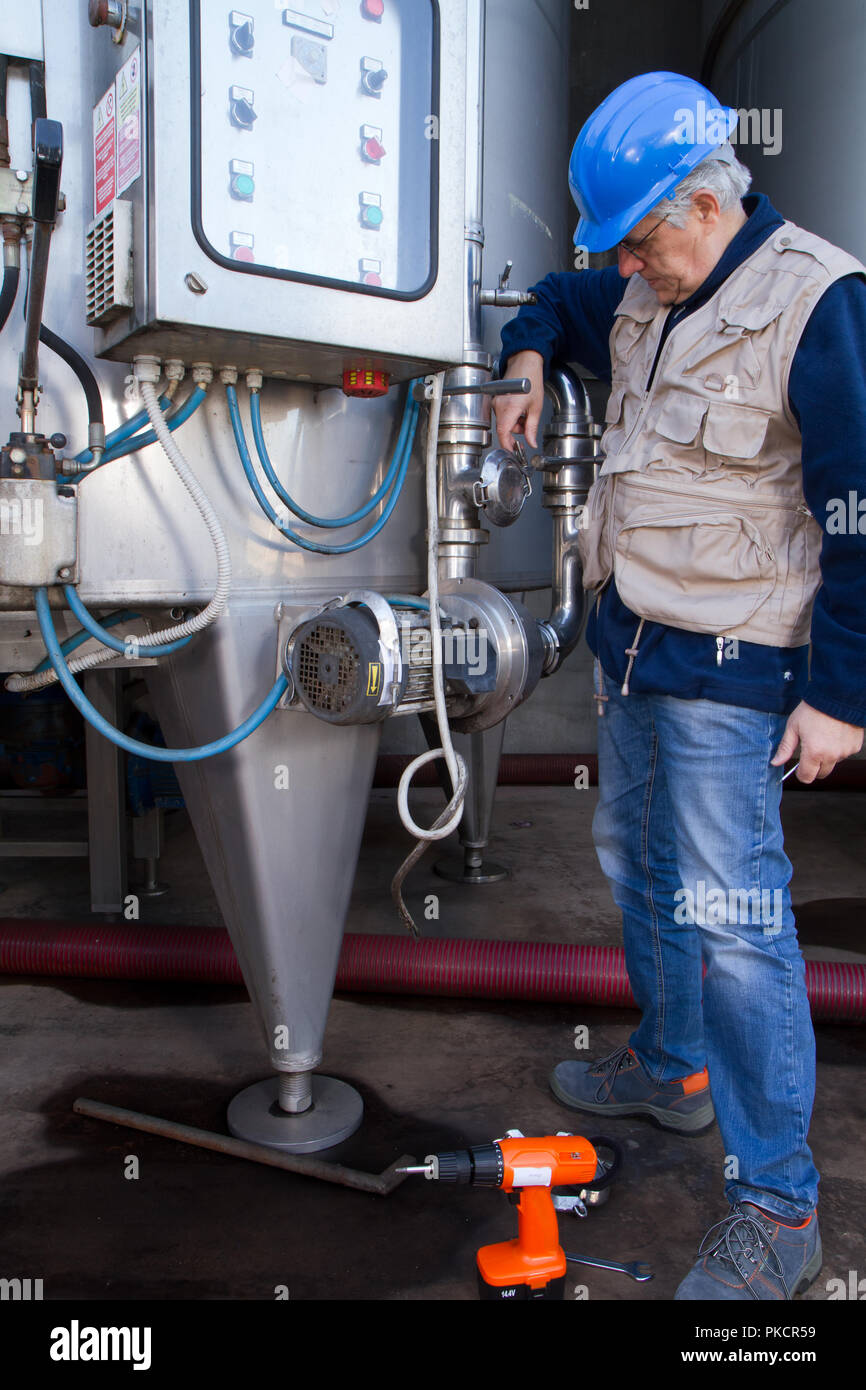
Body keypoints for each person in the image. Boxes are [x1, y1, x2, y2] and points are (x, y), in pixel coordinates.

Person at [493, 72, 866, 1301]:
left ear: (705, 203)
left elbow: (859, 515)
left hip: (733, 674)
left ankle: (779, 1209)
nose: (631, 268)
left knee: (737, 926)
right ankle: (671, 1068)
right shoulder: (650, 289)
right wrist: (524, 364)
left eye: (642, 242)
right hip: (632, 650)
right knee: (637, 868)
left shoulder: (814, 302)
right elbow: (554, 295)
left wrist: (843, 693)